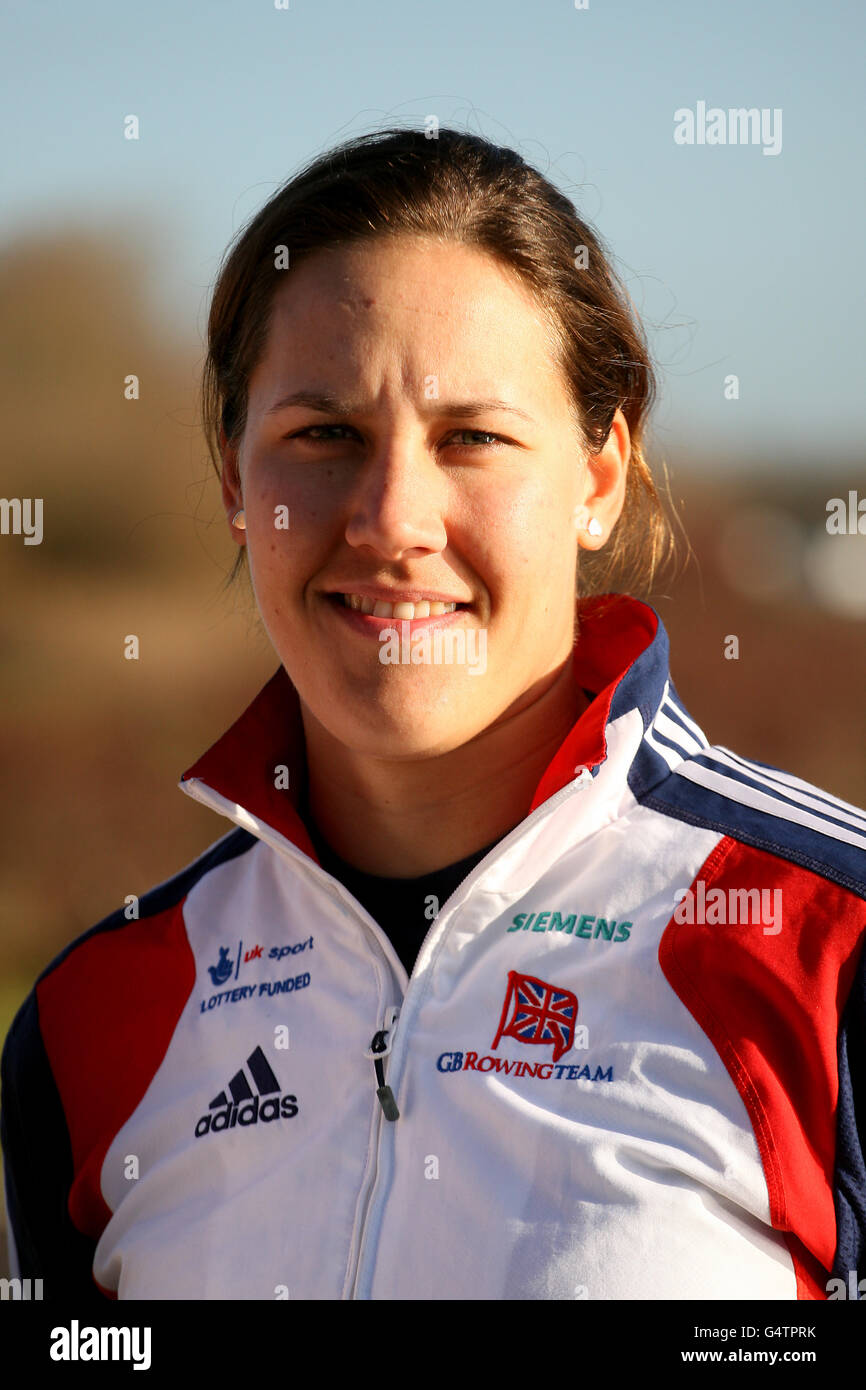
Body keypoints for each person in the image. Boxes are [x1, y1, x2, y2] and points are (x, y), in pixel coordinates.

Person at [2, 127, 864, 1302]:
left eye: (472, 437)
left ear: (599, 475)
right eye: (323, 436)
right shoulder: (86, 1022)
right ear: (232, 480)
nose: (392, 517)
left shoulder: (828, 946)